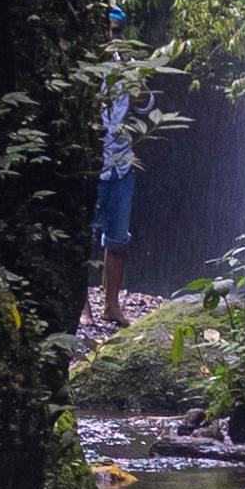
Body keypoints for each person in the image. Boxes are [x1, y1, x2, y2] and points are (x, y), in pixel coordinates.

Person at [86, 50, 139, 331]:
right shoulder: (86, 63)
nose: (114, 38)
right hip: (93, 163)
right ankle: (82, 308)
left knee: (118, 239)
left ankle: (111, 305)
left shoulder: (129, 67)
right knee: (85, 239)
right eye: (111, 30)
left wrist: (136, 79)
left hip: (122, 165)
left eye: (119, 31)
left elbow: (144, 105)